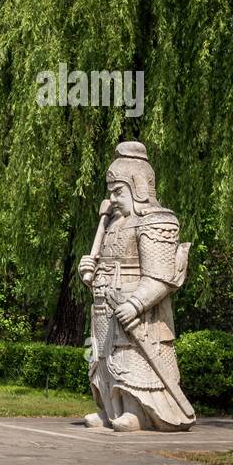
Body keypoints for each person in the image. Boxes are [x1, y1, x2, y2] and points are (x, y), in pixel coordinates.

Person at [78, 141, 194, 432]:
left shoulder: (157, 221)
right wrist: (89, 272)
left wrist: (137, 303)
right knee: (102, 360)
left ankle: (137, 412)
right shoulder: (113, 224)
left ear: (139, 187)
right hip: (105, 302)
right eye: (111, 192)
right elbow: (104, 263)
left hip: (138, 309)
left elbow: (162, 276)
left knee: (132, 361)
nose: (113, 198)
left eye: (119, 191)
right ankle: (110, 408)